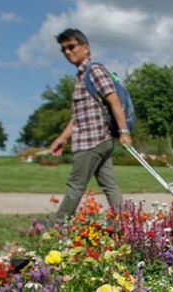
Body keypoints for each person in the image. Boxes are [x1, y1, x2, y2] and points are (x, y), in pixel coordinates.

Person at [48, 28, 130, 221]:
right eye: (63, 50)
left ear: (85, 47)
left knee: (75, 185)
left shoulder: (94, 70)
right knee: (109, 184)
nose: (68, 52)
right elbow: (77, 116)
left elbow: (114, 100)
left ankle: (57, 227)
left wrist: (124, 131)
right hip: (97, 140)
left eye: (71, 47)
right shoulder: (80, 77)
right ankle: (126, 225)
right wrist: (62, 138)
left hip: (92, 141)